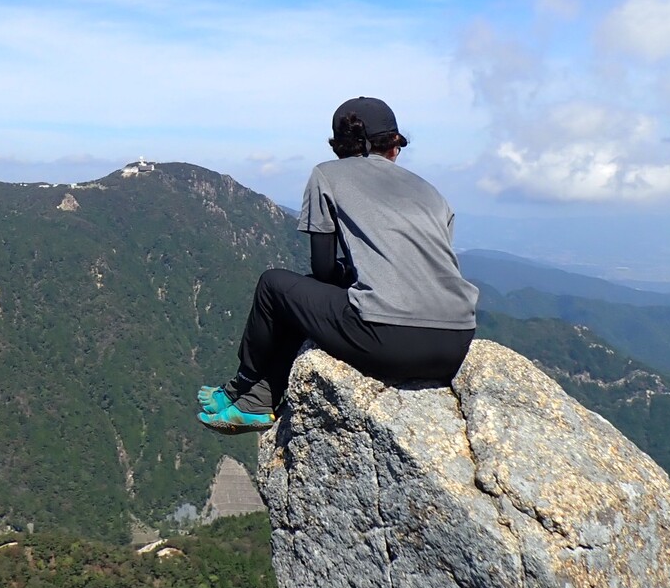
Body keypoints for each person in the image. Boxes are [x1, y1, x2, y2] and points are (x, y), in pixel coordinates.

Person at [197, 96, 478, 433]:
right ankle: (251, 395)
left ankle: (246, 391)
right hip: (456, 344)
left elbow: (324, 270)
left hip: (387, 340)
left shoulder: (326, 175)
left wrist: (345, 273)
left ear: (341, 146)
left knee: (275, 286)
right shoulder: (432, 193)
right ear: (391, 145)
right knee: (310, 298)